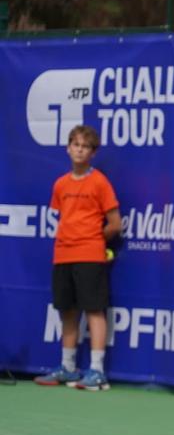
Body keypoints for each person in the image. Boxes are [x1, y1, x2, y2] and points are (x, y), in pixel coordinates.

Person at [34, 124, 121, 392]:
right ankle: (68, 367)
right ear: (68, 148)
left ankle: (97, 371)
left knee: (94, 310)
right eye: (76, 145)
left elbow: (115, 224)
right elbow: (64, 218)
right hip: (63, 254)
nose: (80, 150)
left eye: (85, 147)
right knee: (68, 312)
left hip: (90, 255)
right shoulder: (60, 184)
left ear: (93, 153)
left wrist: (93, 239)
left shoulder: (100, 182)